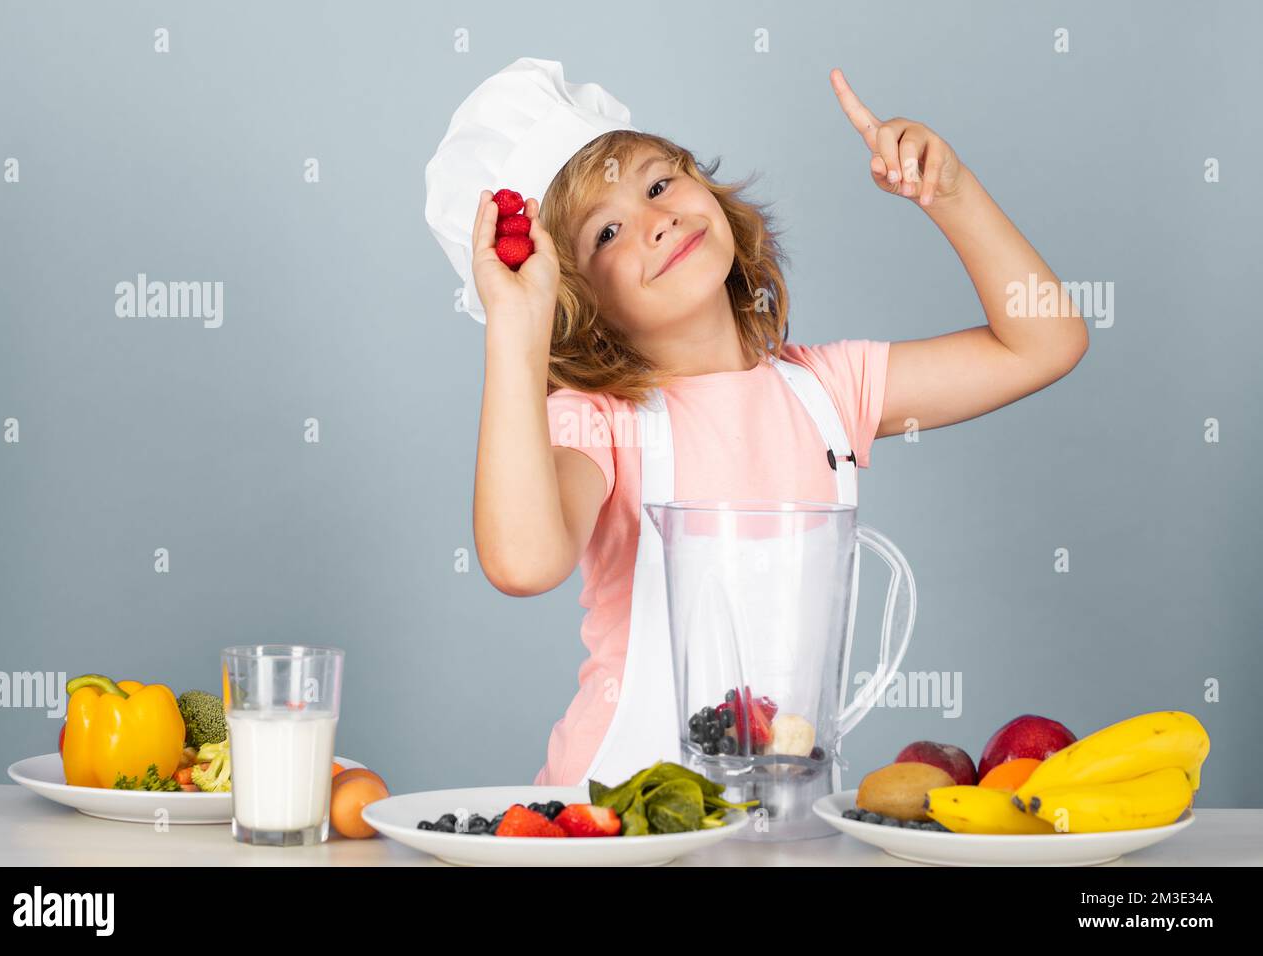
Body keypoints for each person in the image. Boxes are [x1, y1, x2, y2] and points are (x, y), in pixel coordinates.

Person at [427, 59, 1089, 788]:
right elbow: (523, 562)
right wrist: (517, 333)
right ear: (577, 305)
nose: (657, 221)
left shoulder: (828, 391)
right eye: (607, 232)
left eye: (659, 183)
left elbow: (1044, 342)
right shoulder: (598, 423)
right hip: (620, 822)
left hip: (787, 821)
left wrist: (952, 194)